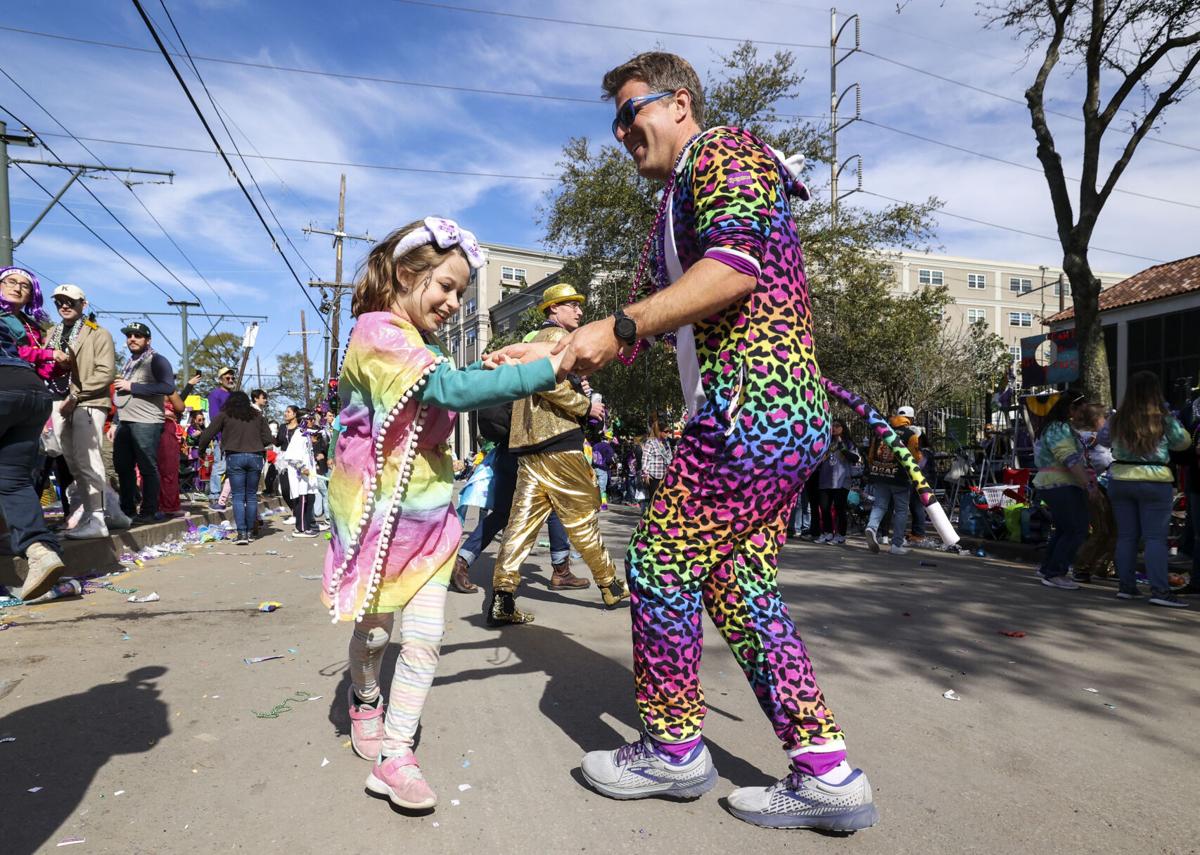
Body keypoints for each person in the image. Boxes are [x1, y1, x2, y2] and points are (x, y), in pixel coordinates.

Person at [493, 52, 876, 831]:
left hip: (752, 406)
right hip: (771, 411)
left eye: (632, 111)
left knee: (661, 561)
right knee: (740, 588)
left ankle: (673, 751)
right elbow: (641, 328)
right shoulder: (679, 193)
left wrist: (623, 322)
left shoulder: (723, 154)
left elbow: (733, 270)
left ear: (681, 103)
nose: (622, 131)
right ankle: (828, 771)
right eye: (613, 120)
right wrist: (545, 351)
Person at [320, 217, 570, 812]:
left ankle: (396, 755)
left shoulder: (423, 347)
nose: (456, 303)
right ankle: (363, 697)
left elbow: (452, 383)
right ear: (407, 275)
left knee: (427, 638)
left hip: (432, 516)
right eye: (447, 287)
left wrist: (492, 368)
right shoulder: (376, 335)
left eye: (462, 292)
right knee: (376, 635)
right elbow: (448, 393)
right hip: (378, 523)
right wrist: (547, 368)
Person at [485, 282, 626, 626]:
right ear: (553, 310)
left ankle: (503, 598)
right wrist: (585, 407)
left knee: (519, 526)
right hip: (559, 441)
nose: (579, 311)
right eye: (571, 305)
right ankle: (611, 584)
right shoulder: (552, 341)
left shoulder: (530, 343)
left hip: (529, 448)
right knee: (581, 519)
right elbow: (550, 385)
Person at [450, 400, 576, 594]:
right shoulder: (542, 374)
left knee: (502, 513)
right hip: (533, 452)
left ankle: (462, 561)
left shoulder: (511, 376)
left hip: (508, 451)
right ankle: (561, 570)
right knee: (555, 506)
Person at [0, 267, 67, 600]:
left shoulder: (24, 323)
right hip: (33, 394)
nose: (17, 287)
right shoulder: (22, 325)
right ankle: (40, 552)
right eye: (11, 281)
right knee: (12, 480)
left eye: (24, 285)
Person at [1101, 372, 1192, 607]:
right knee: (1155, 538)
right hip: (1155, 480)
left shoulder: (1118, 418)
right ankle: (1160, 591)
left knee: (1127, 536)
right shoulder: (1164, 419)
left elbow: (1102, 440)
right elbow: (1183, 442)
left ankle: (1126, 587)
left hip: (1120, 479)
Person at [45, 283, 116, 540]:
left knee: (89, 460)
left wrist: (77, 395)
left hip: (87, 401)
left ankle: (98, 519)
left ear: (83, 304)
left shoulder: (97, 333)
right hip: (57, 400)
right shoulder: (51, 333)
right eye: (59, 302)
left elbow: (106, 372)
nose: (64, 305)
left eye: (70, 301)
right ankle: (98, 512)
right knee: (72, 462)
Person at [110, 321, 175, 523]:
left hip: (146, 422)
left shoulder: (156, 360)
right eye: (129, 335)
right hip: (125, 422)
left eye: (137, 335)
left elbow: (167, 387)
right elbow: (123, 396)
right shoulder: (130, 363)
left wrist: (132, 386)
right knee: (122, 466)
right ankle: (127, 509)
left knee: (147, 466)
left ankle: (149, 510)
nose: (132, 339)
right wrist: (115, 421)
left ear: (148, 340)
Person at [1031, 389, 1091, 591]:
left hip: (1054, 483)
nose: (1083, 414)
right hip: (1060, 483)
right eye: (1081, 410)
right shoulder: (1059, 428)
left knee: (1065, 528)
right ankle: (1055, 572)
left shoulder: (1054, 427)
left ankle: (1049, 568)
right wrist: (1087, 483)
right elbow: (1069, 457)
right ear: (1071, 408)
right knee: (1076, 528)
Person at [195, 390, 272, 544]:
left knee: (237, 496)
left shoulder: (225, 415)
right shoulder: (258, 416)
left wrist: (201, 451)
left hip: (234, 457)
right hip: (255, 457)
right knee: (250, 496)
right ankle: (250, 532)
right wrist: (255, 445)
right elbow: (269, 439)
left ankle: (242, 534)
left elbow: (207, 434)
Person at [865, 406, 922, 556]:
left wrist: (878, 467)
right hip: (899, 477)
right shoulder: (911, 435)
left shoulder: (881, 431)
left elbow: (871, 455)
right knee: (901, 510)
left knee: (879, 505)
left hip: (880, 474)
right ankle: (896, 544)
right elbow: (915, 458)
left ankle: (871, 527)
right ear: (910, 419)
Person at [1072, 402, 1116, 583]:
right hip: (1095, 487)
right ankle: (1082, 566)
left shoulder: (1094, 437)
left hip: (1104, 486)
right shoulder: (1088, 437)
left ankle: (1102, 565)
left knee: (1113, 529)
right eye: (1104, 419)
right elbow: (1097, 461)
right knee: (1102, 530)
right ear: (1097, 420)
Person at [276, 405, 319, 537]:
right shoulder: (299, 434)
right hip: (300, 476)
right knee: (303, 500)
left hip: (308, 476)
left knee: (310, 499)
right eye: (310, 419)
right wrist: (301, 467)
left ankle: (308, 525)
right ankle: (300, 528)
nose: (313, 421)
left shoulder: (306, 435)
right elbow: (291, 456)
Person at [817, 419, 857, 544]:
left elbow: (855, 458)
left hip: (841, 481)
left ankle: (840, 535)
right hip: (825, 479)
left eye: (837, 426)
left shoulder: (848, 443)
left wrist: (843, 448)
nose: (833, 428)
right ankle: (827, 533)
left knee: (840, 508)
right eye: (832, 426)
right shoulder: (826, 442)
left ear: (843, 428)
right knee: (824, 507)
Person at [206, 366, 238, 510]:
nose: (230, 380)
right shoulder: (215, 395)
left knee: (232, 468)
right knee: (220, 467)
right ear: (220, 380)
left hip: (235, 437)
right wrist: (220, 436)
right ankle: (214, 495)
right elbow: (215, 418)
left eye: (232, 377)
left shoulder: (234, 396)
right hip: (222, 437)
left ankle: (225, 496)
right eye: (227, 377)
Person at [639, 413, 671, 511]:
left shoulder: (666, 443)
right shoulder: (651, 442)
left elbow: (670, 457)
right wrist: (645, 474)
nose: (668, 434)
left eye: (669, 431)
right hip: (654, 476)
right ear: (659, 431)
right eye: (666, 432)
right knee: (654, 501)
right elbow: (645, 458)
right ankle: (650, 522)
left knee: (664, 501)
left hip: (665, 476)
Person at [591, 431, 614, 509]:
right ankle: (603, 505)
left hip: (594, 468)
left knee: (594, 486)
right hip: (603, 468)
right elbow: (609, 460)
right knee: (602, 487)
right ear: (609, 439)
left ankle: (594, 504)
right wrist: (611, 463)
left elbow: (592, 457)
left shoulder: (595, 446)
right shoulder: (608, 447)